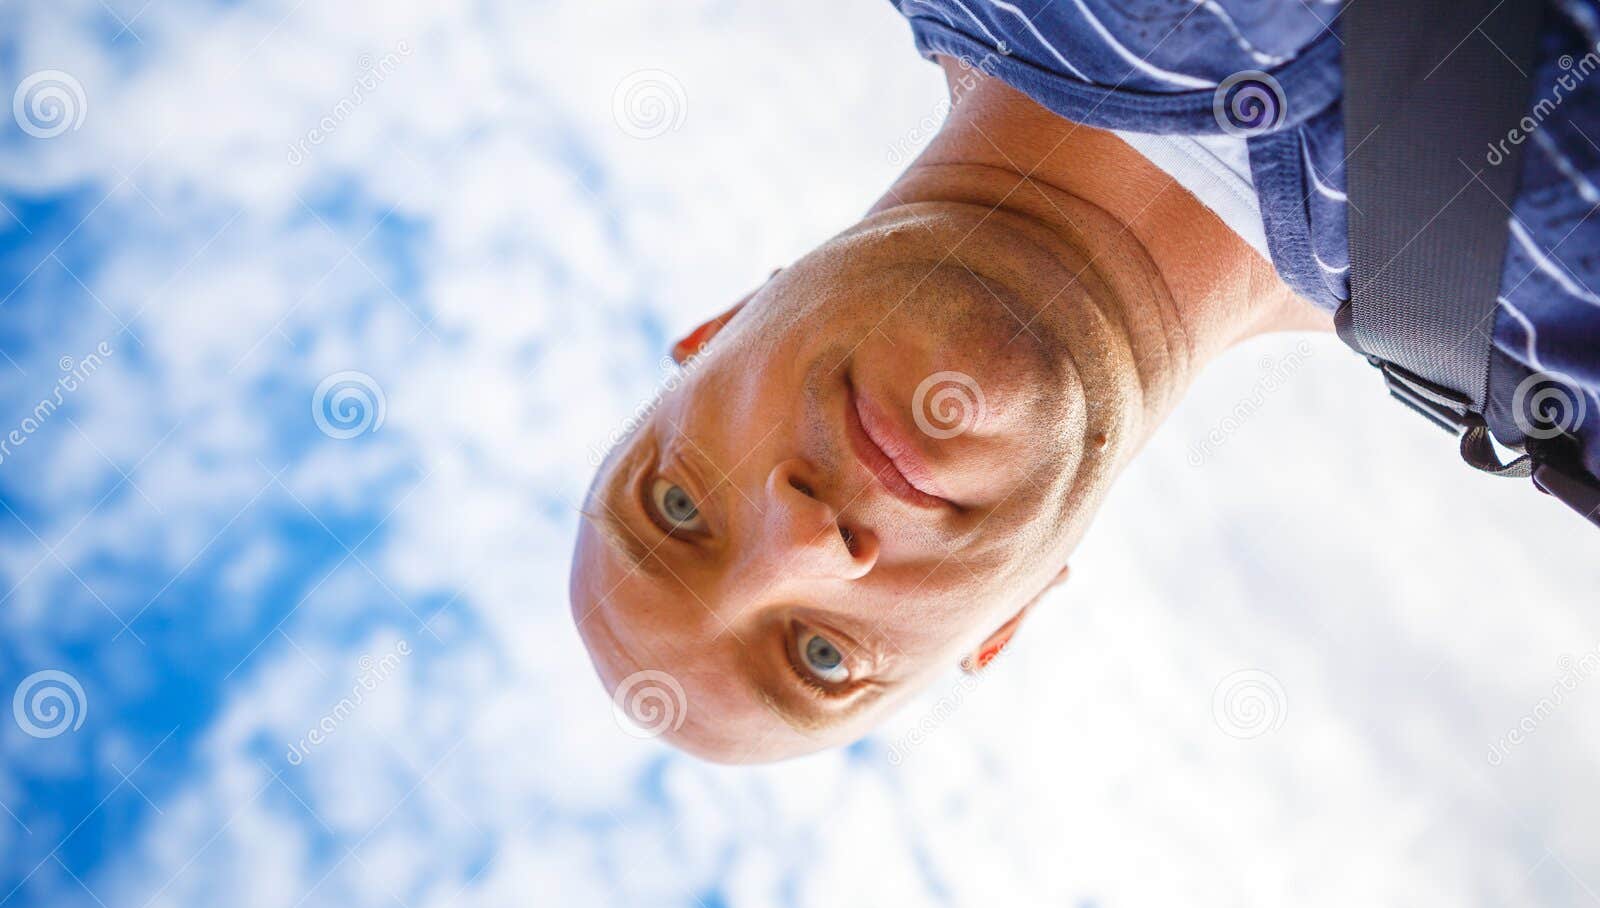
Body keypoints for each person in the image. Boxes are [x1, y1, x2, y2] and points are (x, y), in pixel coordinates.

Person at [572, 1, 1600, 764]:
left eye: (677, 505)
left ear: (717, 328)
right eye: (822, 657)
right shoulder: (1570, 373)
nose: (804, 541)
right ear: (1005, 622)